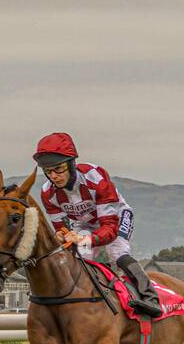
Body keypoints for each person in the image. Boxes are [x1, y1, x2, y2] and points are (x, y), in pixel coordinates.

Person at [33, 132, 161, 317]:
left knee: (116, 252)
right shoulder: (47, 193)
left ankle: (150, 297)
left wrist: (83, 239)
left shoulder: (95, 177)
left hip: (114, 218)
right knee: (81, 257)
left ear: (71, 164)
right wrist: (63, 236)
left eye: (58, 169)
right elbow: (62, 228)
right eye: (47, 171)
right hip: (84, 223)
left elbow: (109, 230)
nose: (53, 176)